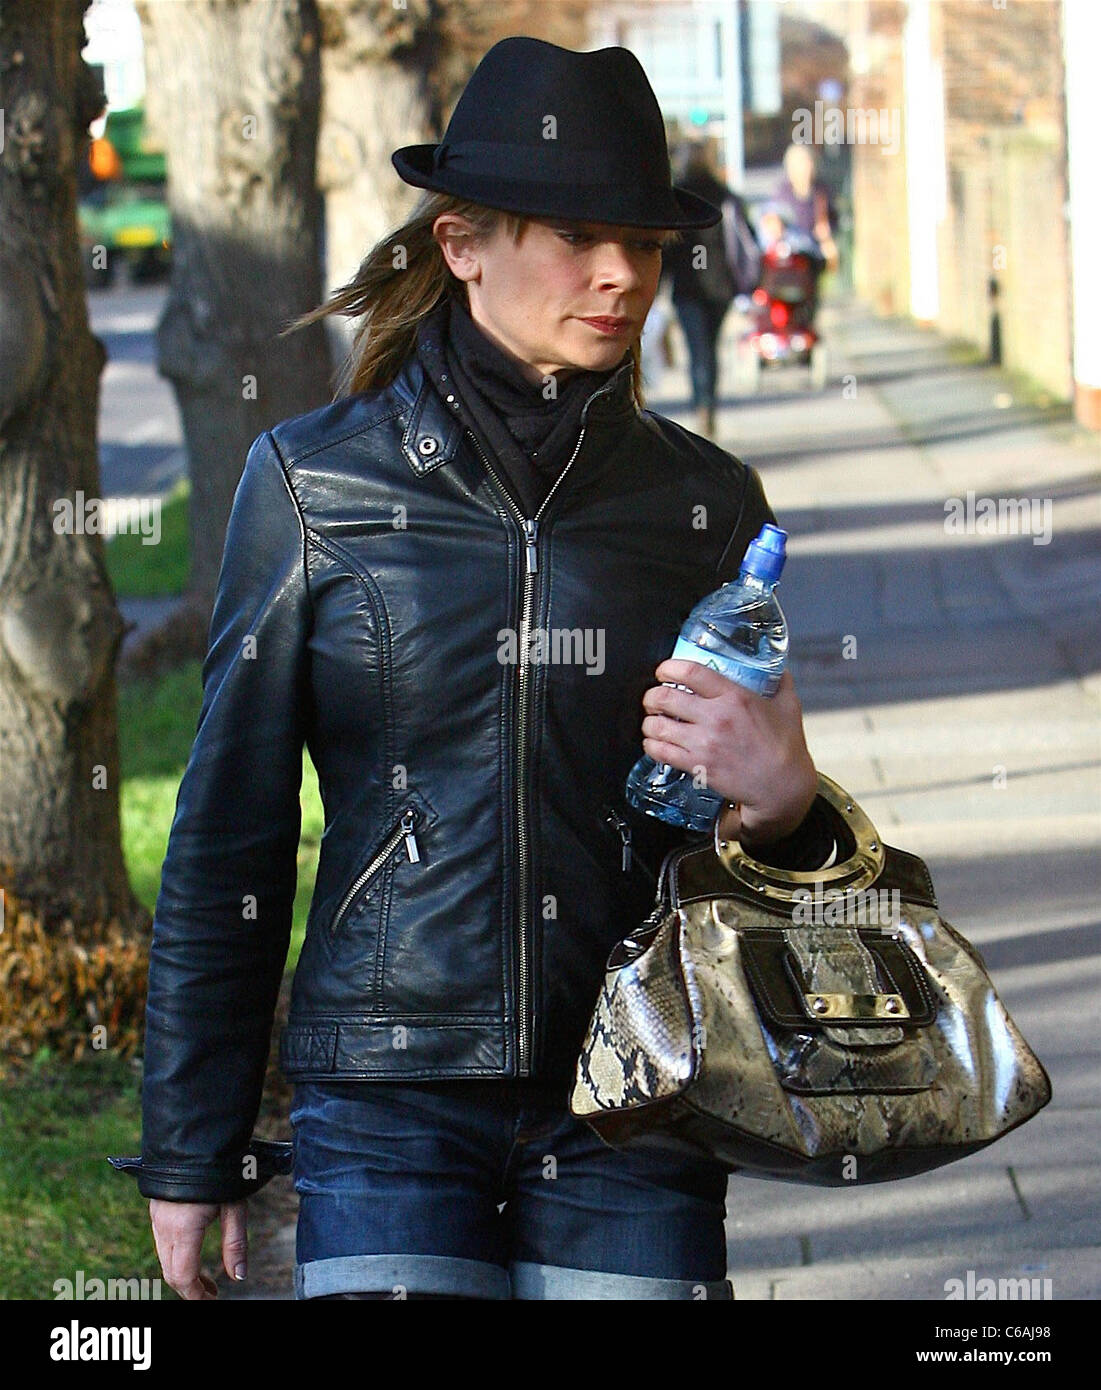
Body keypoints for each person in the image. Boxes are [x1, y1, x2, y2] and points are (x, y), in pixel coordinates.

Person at [136, 36, 826, 1302]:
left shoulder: (705, 504)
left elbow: (758, 862)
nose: (622, 274)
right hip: (386, 1102)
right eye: (577, 235)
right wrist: (191, 1148)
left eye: (647, 243)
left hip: (634, 1091)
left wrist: (787, 803)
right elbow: (226, 832)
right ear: (460, 243)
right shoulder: (314, 484)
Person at [662, 142, 754, 438]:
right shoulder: (725, 197)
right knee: (709, 349)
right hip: (719, 288)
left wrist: (658, 285)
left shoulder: (676, 198)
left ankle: (702, 405)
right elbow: (745, 241)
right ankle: (707, 405)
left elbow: (666, 249)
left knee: (697, 349)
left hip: (688, 289)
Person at [769, 143, 840, 273]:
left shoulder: (821, 193)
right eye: (801, 164)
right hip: (789, 255)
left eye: (808, 163)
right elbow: (771, 221)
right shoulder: (782, 193)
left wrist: (826, 232)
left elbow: (832, 221)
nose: (805, 169)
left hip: (813, 255)